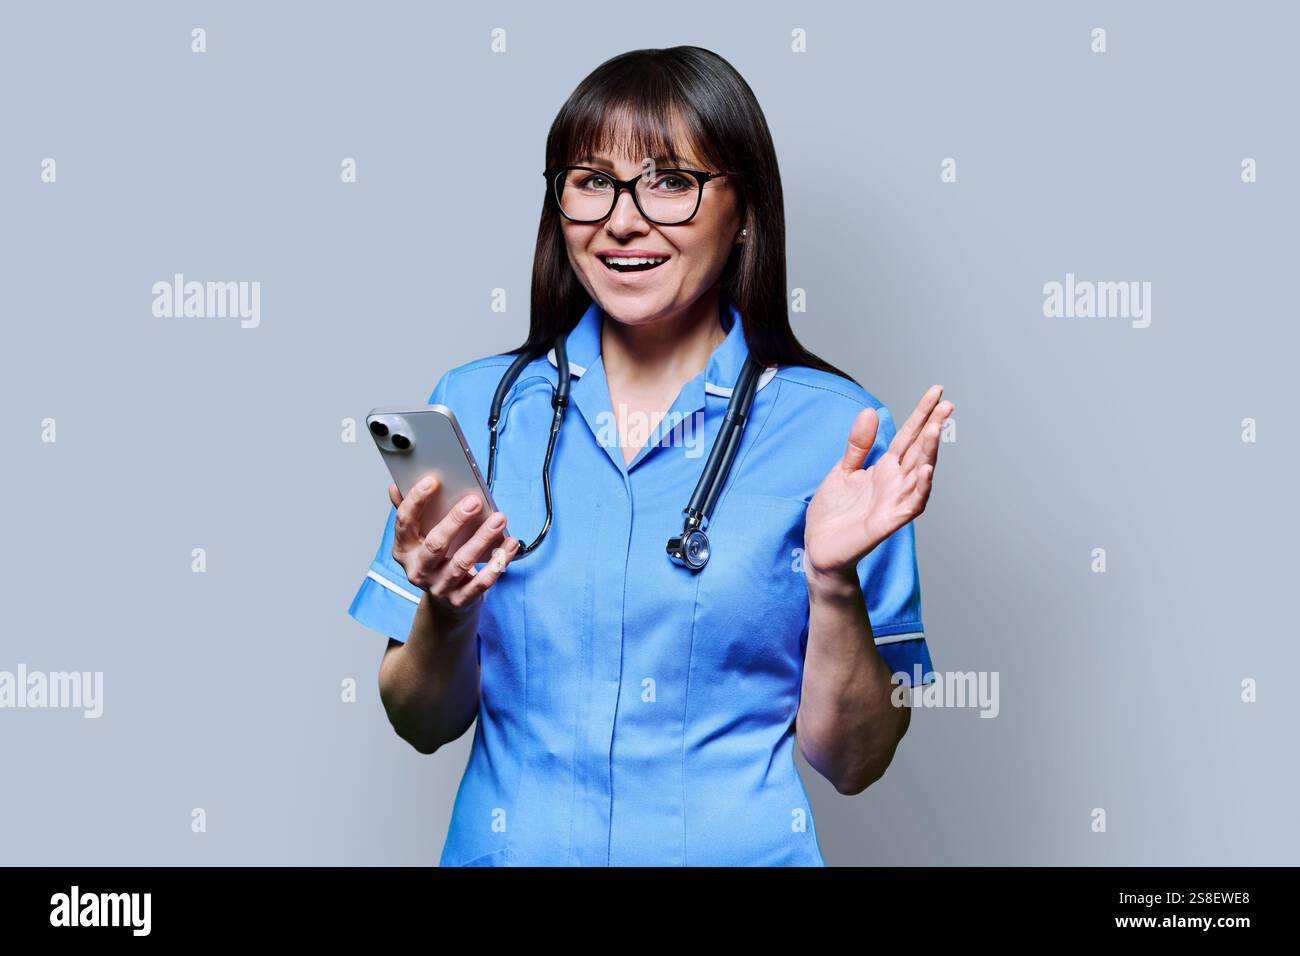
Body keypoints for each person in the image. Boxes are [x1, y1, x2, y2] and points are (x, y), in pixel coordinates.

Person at [348, 46, 953, 866]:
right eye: (591, 180)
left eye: (671, 181)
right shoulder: (478, 409)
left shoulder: (841, 434)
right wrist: (448, 614)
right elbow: (421, 724)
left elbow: (854, 763)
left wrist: (835, 586)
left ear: (745, 210)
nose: (623, 220)